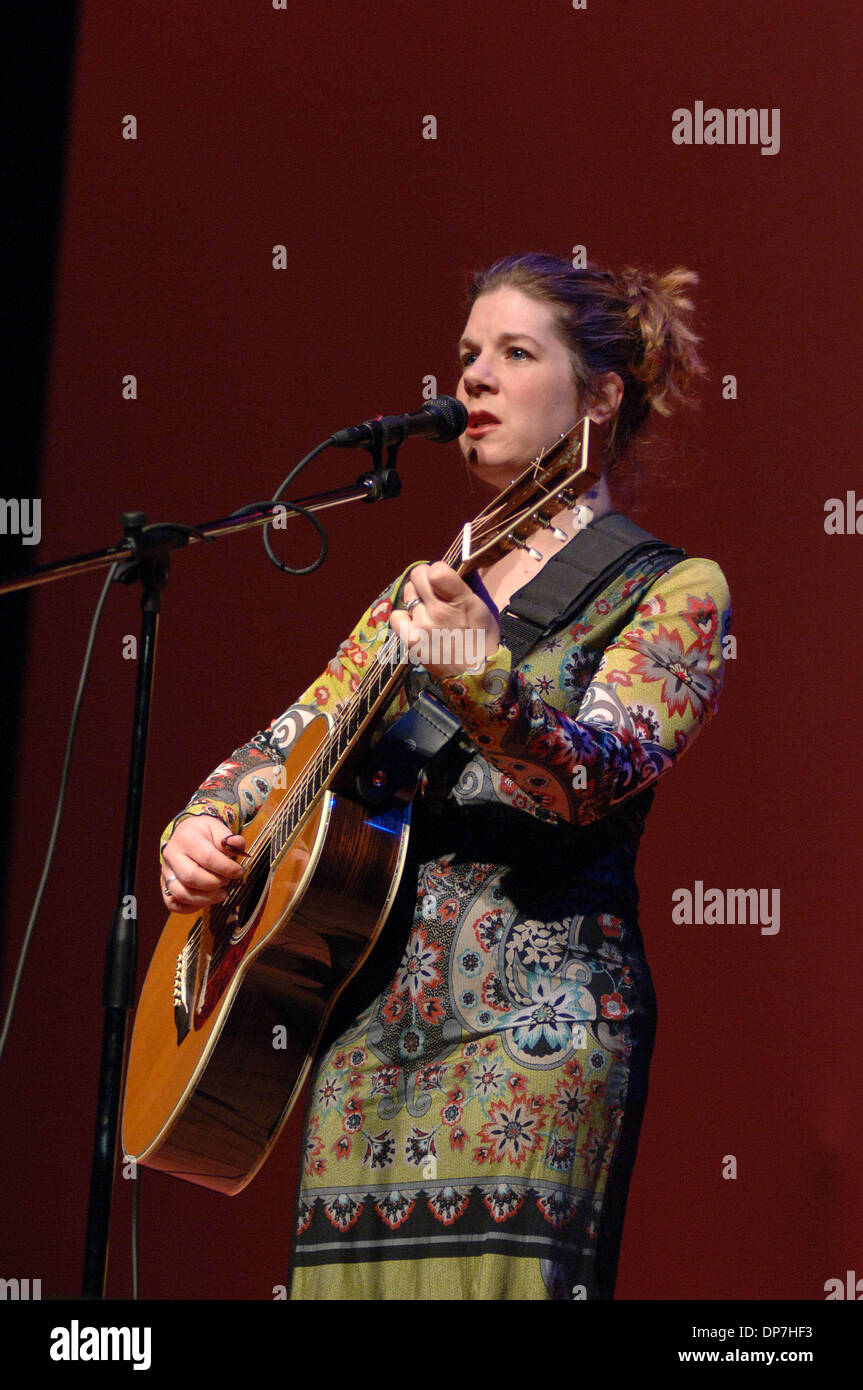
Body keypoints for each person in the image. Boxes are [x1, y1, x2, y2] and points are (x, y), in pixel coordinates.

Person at [158, 253, 731, 1300]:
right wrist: (200, 823)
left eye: (514, 353)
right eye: (468, 354)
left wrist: (481, 673)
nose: (471, 377)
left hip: (533, 1039)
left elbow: (592, 776)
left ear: (600, 396)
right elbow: (292, 742)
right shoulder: (418, 594)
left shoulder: (674, 588)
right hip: (366, 1038)